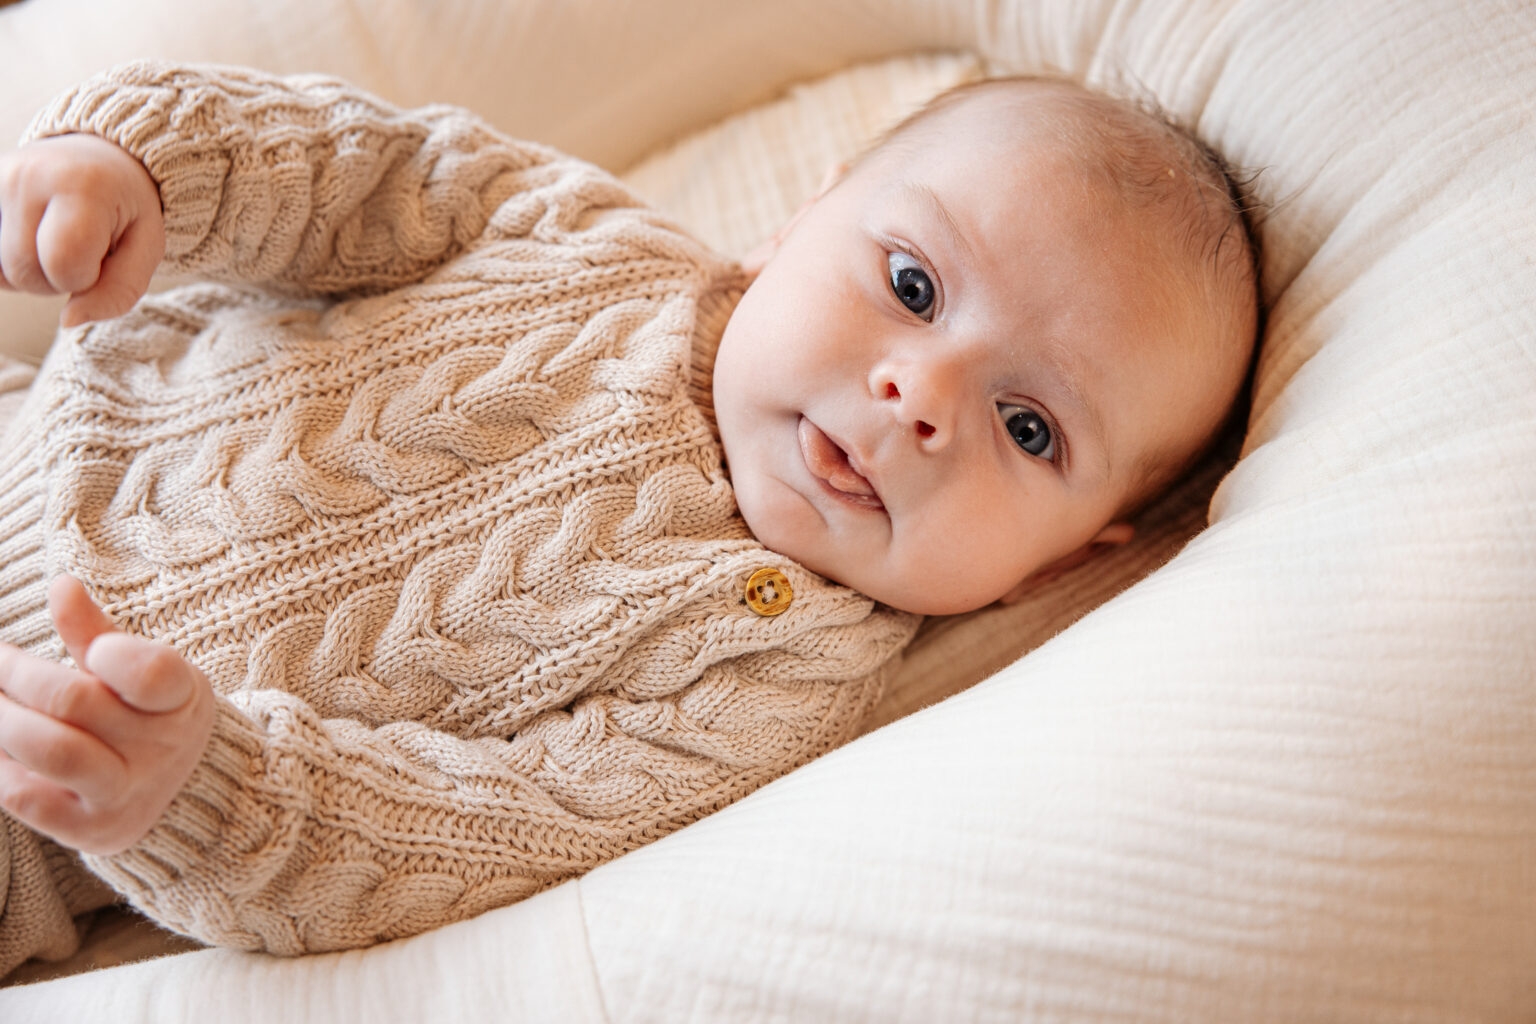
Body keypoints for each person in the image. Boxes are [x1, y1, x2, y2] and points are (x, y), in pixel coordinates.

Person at [0, 61, 1259, 975]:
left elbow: (451, 835)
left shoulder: (764, 680)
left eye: (1028, 427)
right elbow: (356, 172)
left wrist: (194, 790)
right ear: (796, 223)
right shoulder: (576, 234)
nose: (920, 396)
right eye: (915, 285)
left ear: (1055, 569)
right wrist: (153, 168)